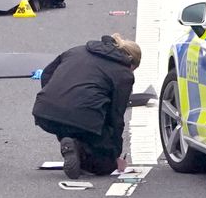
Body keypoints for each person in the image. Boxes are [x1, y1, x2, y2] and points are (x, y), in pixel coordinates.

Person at [33, 33, 141, 179]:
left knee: (69, 123)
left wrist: (54, 98)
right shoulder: (123, 74)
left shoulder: (76, 50)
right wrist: (114, 156)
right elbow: (116, 116)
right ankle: (79, 148)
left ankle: (72, 143)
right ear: (131, 62)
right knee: (104, 164)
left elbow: (46, 74)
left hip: (45, 112)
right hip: (84, 119)